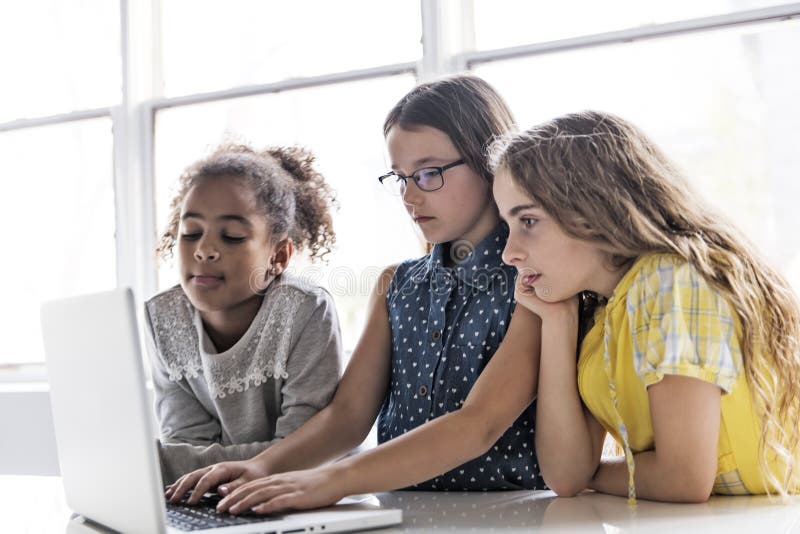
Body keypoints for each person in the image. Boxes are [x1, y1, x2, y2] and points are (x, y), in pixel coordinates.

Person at [166, 74, 549, 512]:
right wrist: (262, 466)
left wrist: (334, 480)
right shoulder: (396, 286)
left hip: (517, 513)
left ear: (489, 161)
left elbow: (478, 424)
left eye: (428, 174)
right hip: (402, 512)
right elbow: (347, 417)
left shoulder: (535, 284)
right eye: (399, 177)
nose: (408, 195)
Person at [491, 110, 800, 502]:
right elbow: (567, 477)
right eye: (508, 226)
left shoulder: (673, 281)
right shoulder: (602, 310)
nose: (509, 253)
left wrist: (597, 473)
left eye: (529, 222)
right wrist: (558, 321)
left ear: (593, 208)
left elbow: (682, 479)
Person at [145, 143, 342, 484]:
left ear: (278, 257)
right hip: (219, 500)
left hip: (308, 496)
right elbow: (186, 448)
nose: (204, 250)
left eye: (232, 237)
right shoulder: (163, 317)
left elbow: (302, 454)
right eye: (190, 233)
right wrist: (172, 463)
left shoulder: (305, 312)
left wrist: (157, 464)